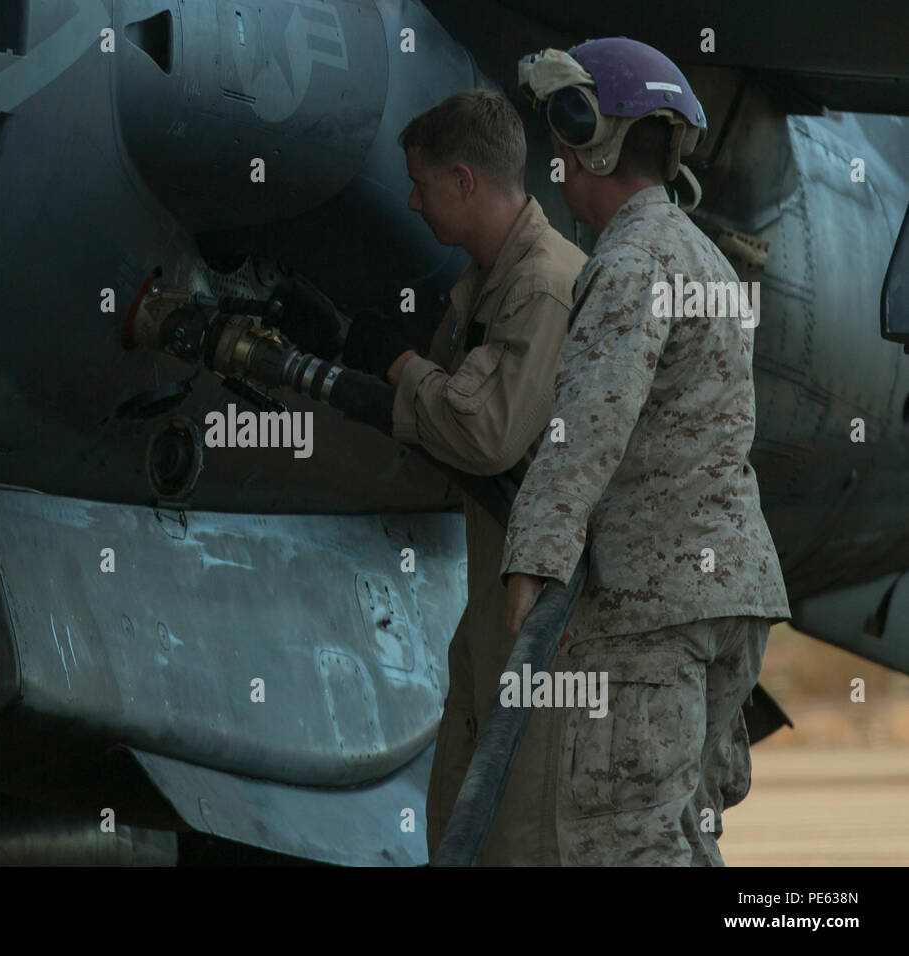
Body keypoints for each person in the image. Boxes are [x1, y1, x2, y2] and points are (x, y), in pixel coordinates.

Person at [273, 88, 586, 864]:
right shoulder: (489, 281)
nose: (411, 204)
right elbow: (450, 403)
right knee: (463, 811)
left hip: (539, 601)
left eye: (420, 184)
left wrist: (399, 363)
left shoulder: (543, 284)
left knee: (517, 828)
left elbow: (482, 433)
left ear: (464, 182)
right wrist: (355, 354)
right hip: (496, 590)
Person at [502, 37, 791, 866]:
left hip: (651, 608)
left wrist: (533, 559)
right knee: (682, 837)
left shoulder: (628, 261)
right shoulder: (704, 257)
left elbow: (588, 422)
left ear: (592, 138)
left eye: (563, 145)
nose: (557, 165)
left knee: (619, 842)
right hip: (731, 596)